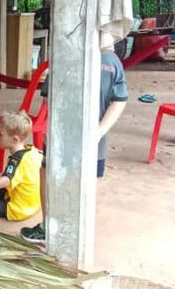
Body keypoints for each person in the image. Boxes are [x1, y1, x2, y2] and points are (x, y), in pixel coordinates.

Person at [21, 50, 128, 243]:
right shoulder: (112, 61)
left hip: (61, 136)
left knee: (50, 174)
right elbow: (119, 101)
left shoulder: (63, 54)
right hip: (92, 139)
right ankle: (78, 232)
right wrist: (98, 132)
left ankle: (48, 227)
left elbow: (48, 100)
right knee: (86, 181)